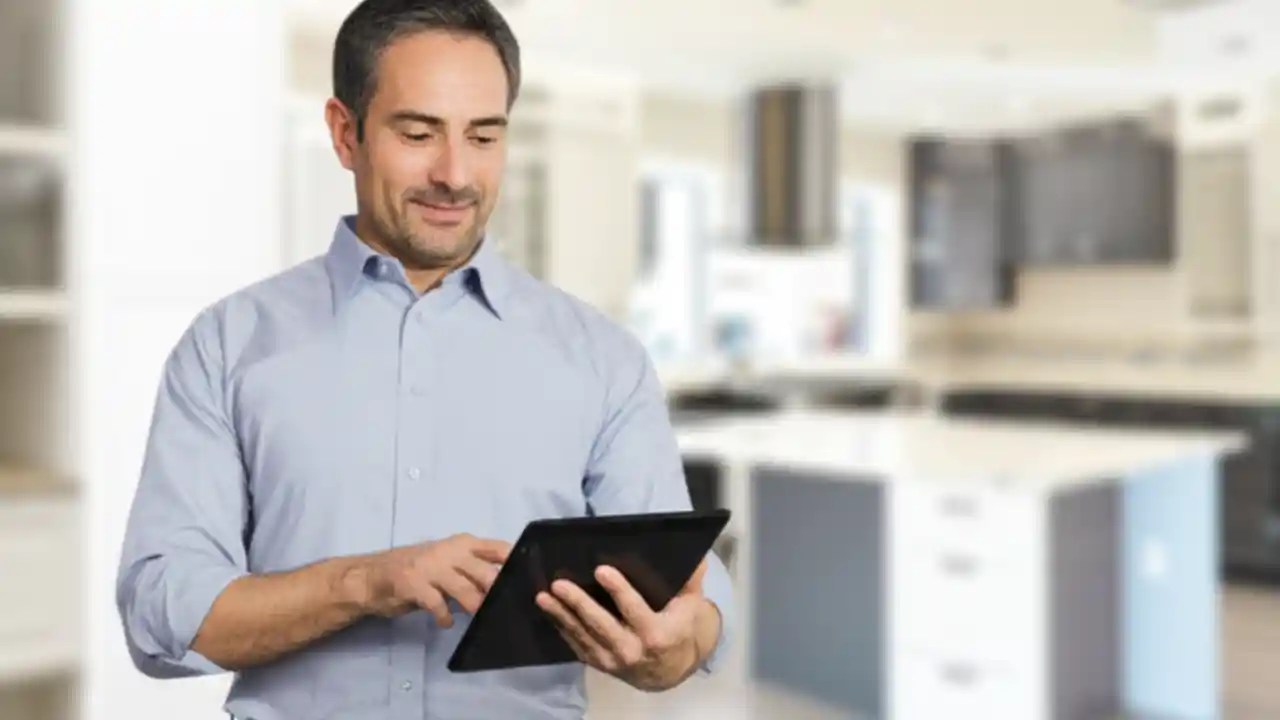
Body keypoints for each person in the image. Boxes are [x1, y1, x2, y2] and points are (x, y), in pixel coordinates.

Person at [114, 1, 734, 718]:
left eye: (484, 136)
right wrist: (366, 583)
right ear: (345, 134)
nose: (455, 173)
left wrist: (676, 646)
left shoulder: (604, 360)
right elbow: (161, 612)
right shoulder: (228, 346)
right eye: (418, 133)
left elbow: (689, 594)